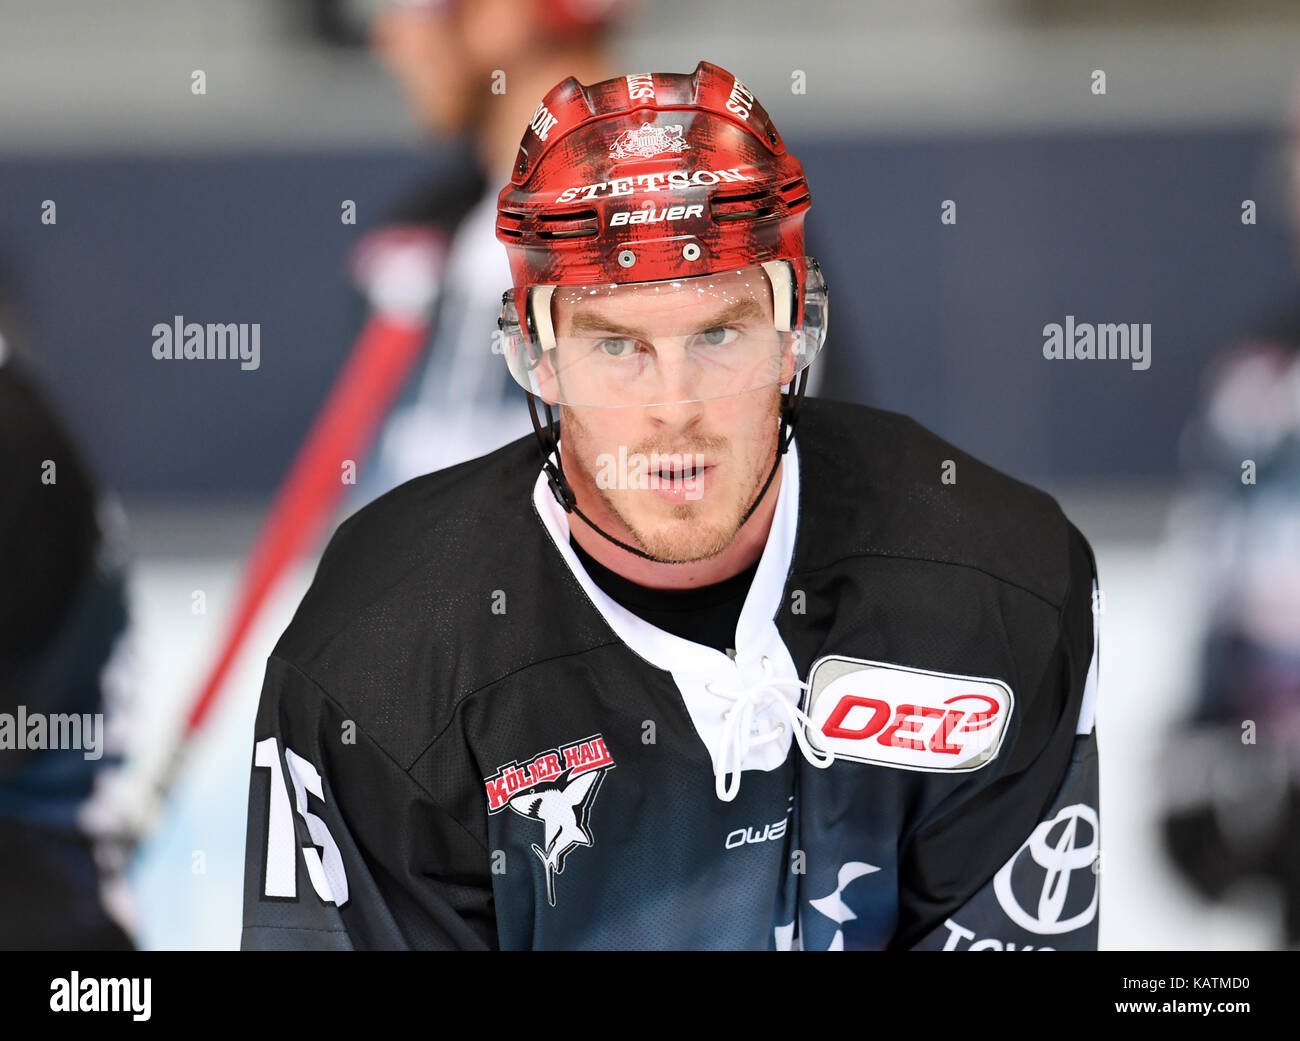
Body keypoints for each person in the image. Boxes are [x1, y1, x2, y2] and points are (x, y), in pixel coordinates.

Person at [242, 60, 1101, 950]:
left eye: (719, 332)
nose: (675, 407)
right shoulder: (377, 663)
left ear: (796, 334)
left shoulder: (1001, 592)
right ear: (536, 355)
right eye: (617, 345)